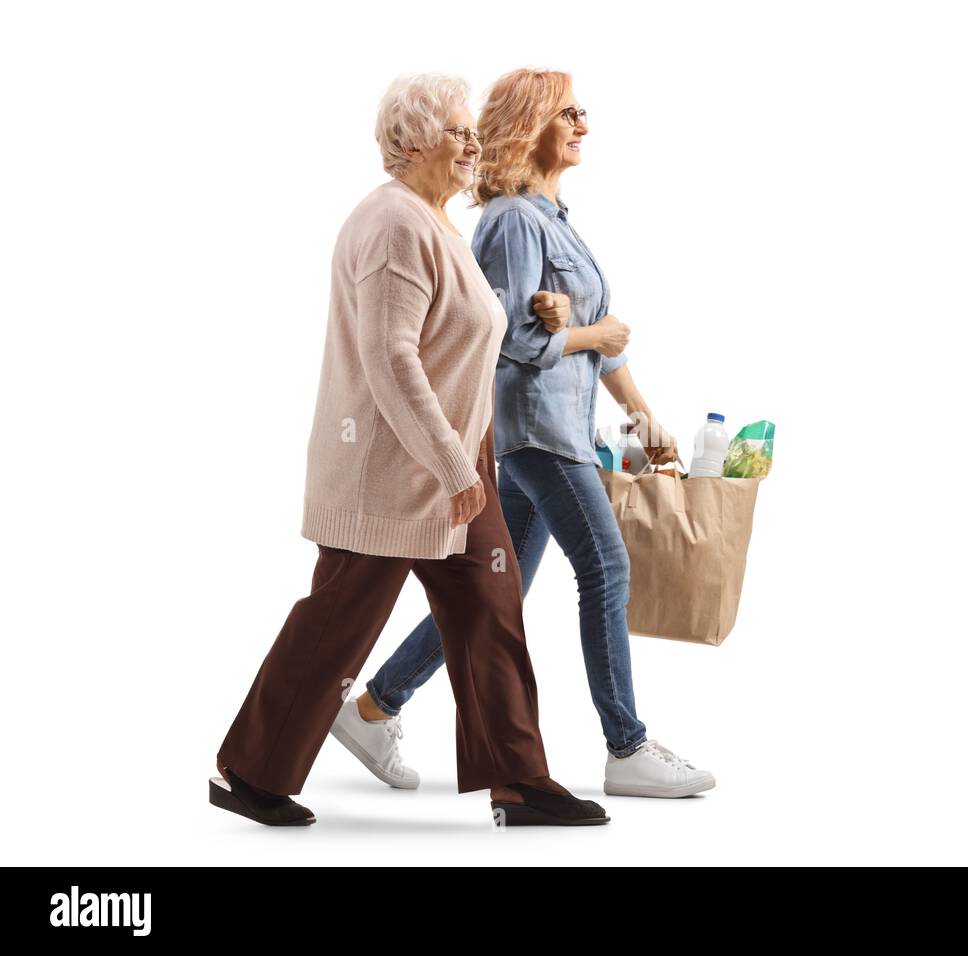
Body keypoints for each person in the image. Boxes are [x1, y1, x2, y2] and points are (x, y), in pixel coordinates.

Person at [210, 71, 608, 827]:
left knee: (492, 609)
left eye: (470, 131)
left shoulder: (434, 220)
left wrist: (545, 316)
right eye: (456, 131)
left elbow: (468, 330)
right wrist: (453, 467)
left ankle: (518, 779)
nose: (471, 144)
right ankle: (248, 769)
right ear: (412, 141)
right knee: (338, 622)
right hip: (393, 470)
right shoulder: (393, 223)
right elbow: (393, 358)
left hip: (457, 461)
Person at [332, 68, 715, 799]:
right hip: (536, 430)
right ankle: (626, 747)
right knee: (607, 568)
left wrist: (640, 413)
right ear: (531, 122)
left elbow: (601, 341)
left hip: (563, 426)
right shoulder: (510, 219)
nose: (584, 125)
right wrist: (586, 330)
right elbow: (503, 340)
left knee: (495, 594)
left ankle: (376, 707)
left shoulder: (554, 220)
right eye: (569, 112)